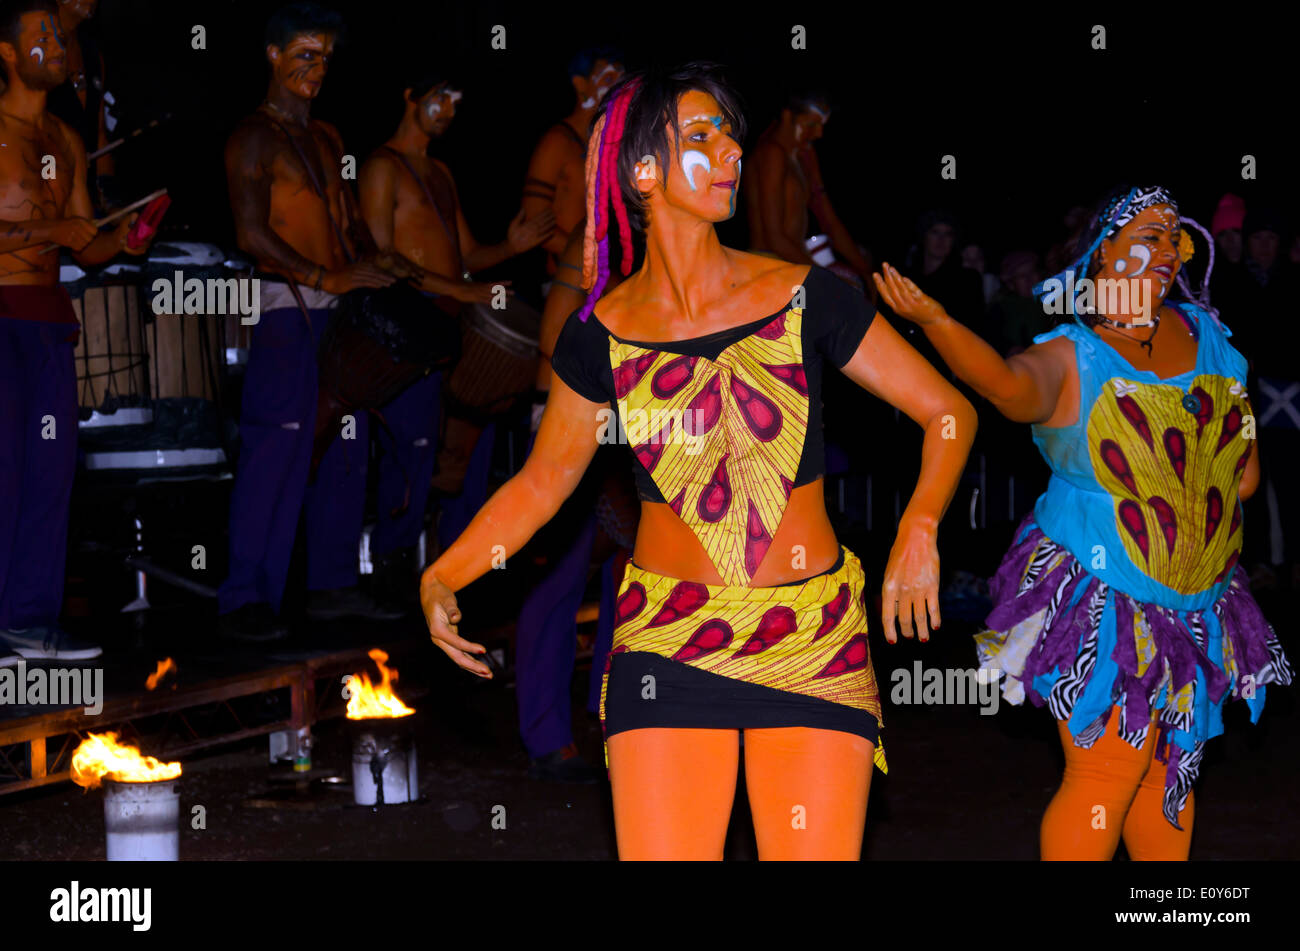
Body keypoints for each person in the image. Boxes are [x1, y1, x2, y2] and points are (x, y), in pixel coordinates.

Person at [421, 64, 976, 859]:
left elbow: (947, 410)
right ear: (642, 171)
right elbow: (545, 480)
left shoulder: (803, 296)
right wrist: (446, 574)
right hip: (667, 644)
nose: (730, 154)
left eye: (731, 137)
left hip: (810, 638)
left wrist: (919, 529)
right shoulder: (598, 335)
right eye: (701, 137)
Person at [877, 184, 1294, 860]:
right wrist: (938, 321)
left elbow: (1244, 472)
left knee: (1170, 779)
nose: (1165, 249)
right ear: (1102, 258)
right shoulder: (1075, 354)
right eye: (1146, 235)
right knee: (1106, 771)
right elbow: (1007, 389)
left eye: (1172, 238)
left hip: (1198, 603)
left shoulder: (1212, 338)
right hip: (1103, 596)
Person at [217, 2, 412, 641]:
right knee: (275, 452)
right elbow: (251, 233)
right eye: (304, 54)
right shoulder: (252, 136)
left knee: (345, 450)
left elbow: (345, 226)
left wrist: (373, 262)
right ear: (272, 55)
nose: (316, 68)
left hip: (339, 316)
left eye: (325, 57)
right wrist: (326, 277)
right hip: (287, 310)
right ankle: (246, 598)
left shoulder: (326, 137)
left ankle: (330, 587)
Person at [358, 73, 554, 601]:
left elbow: (466, 257)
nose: (449, 110)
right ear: (409, 94)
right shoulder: (380, 166)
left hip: (450, 321)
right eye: (440, 98)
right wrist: (462, 292)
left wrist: (508, 248)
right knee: (413, 447)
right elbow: (383, 258)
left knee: (464, 447)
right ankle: (392, 569)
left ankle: (460, 573)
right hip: (404, 322)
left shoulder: (440, 171)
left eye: (457, 102)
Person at [0, 0, 152, 664]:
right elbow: (47, 233)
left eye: (58, 37)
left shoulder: (65, 138)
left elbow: (85, 245)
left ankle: (28, 622)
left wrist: (126, 239)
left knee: (50, 473)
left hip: (49, 321)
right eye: (40, 37)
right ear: (6, 54)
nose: (57, 46)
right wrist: (50, 232)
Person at [520, 46, 623, 295]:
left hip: (598, 282)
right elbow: (534, 228)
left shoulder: (609, 147)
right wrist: (600, 272)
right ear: (581, 85)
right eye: (609, 79)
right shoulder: (558, 142)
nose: (620, 89)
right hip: (563, 286)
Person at [745, 92, 873, 291]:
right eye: (812, 124)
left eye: (822, 125)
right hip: (767, 267)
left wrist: (866, 271)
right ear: (788, 117)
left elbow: (828, 219)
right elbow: (774, 238)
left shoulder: (805, 155)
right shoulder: (772, 154)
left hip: (795, 265)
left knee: (855, 285)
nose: (819, 133)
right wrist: (825, 278)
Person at [46, 0, 111, 209]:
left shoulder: (91, 51)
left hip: (87, 199)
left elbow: (99, 133)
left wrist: (107, 194)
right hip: (51, 203)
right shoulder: (33, 59)